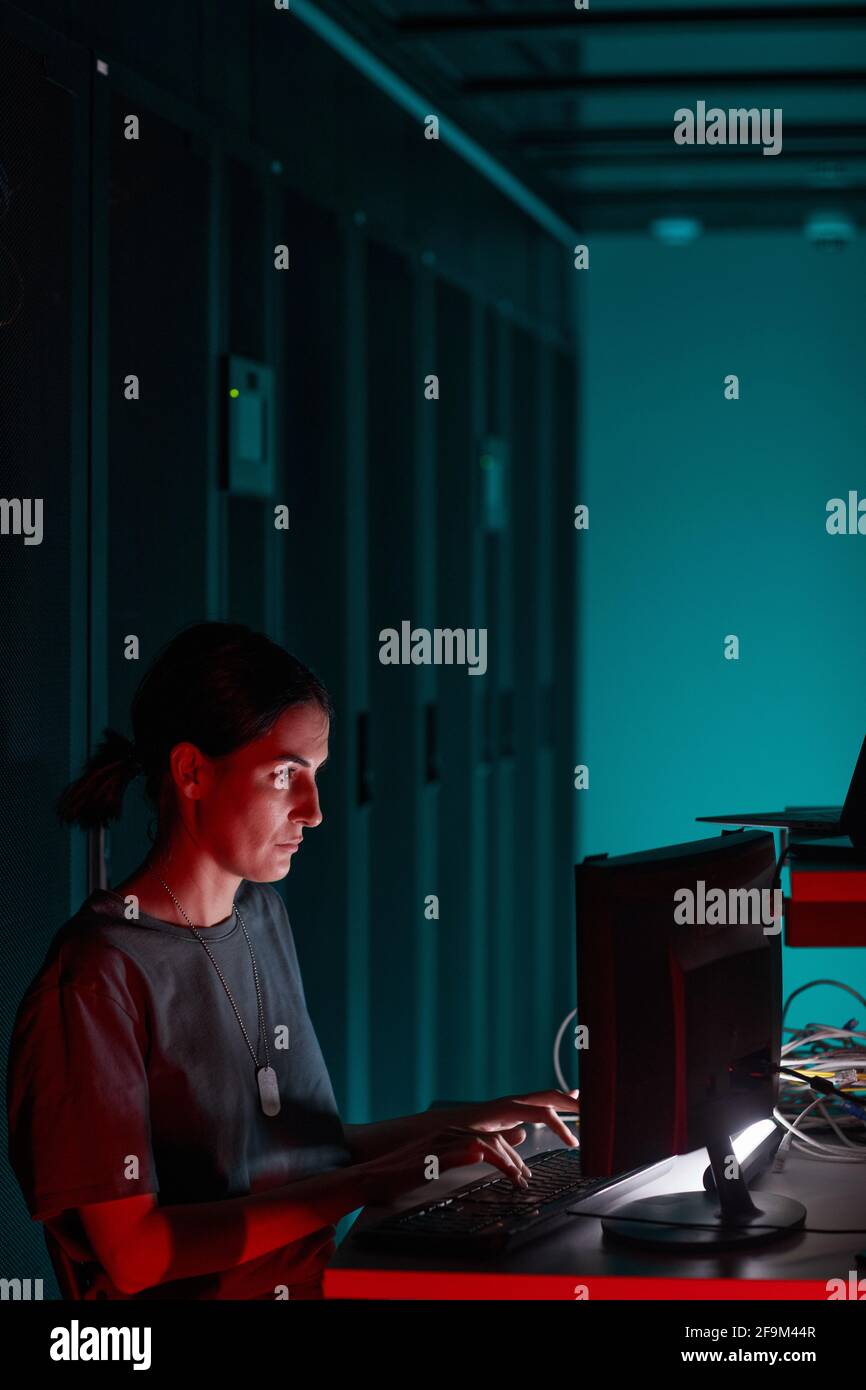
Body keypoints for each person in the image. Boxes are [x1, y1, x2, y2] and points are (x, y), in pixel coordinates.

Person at [6, 621, 579, 1299]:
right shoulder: (96, 978)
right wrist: (380, 1178)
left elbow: (302, 1159)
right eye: (286, 775)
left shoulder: (261, 916)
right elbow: (135, 1254)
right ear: (191, 772)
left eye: (318, 776)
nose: (313, 811)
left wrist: (468, 1125)